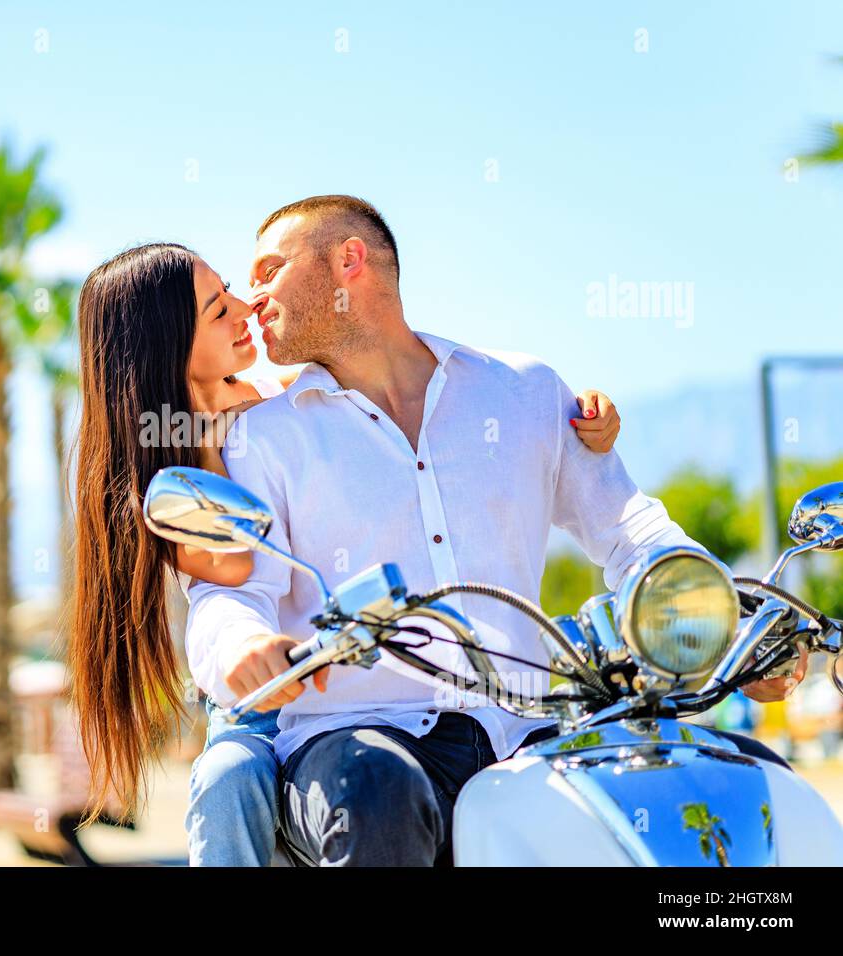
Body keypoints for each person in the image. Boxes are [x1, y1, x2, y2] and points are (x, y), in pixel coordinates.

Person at [185, 194, 806, 866]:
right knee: (377, 790)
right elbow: (232, 591)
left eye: (269, 270)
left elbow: (632, 533)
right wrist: (243, 644)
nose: (253, 296)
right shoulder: (263, 436)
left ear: (348, 260)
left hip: (526, 731)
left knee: (721, 784)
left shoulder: (523, 391)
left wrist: (731, 621)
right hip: (355, 734)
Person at [68, 239, 625, 866]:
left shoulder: (271, 395)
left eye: (229, 292)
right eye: (218, 310)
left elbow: (366, 384)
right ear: (167, 348)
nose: (244, 309)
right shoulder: (170, 475)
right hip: (261, 692)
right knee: (229, 778)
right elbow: (234, 573)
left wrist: (575, 408)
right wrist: (211, 437)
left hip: (351, 677)